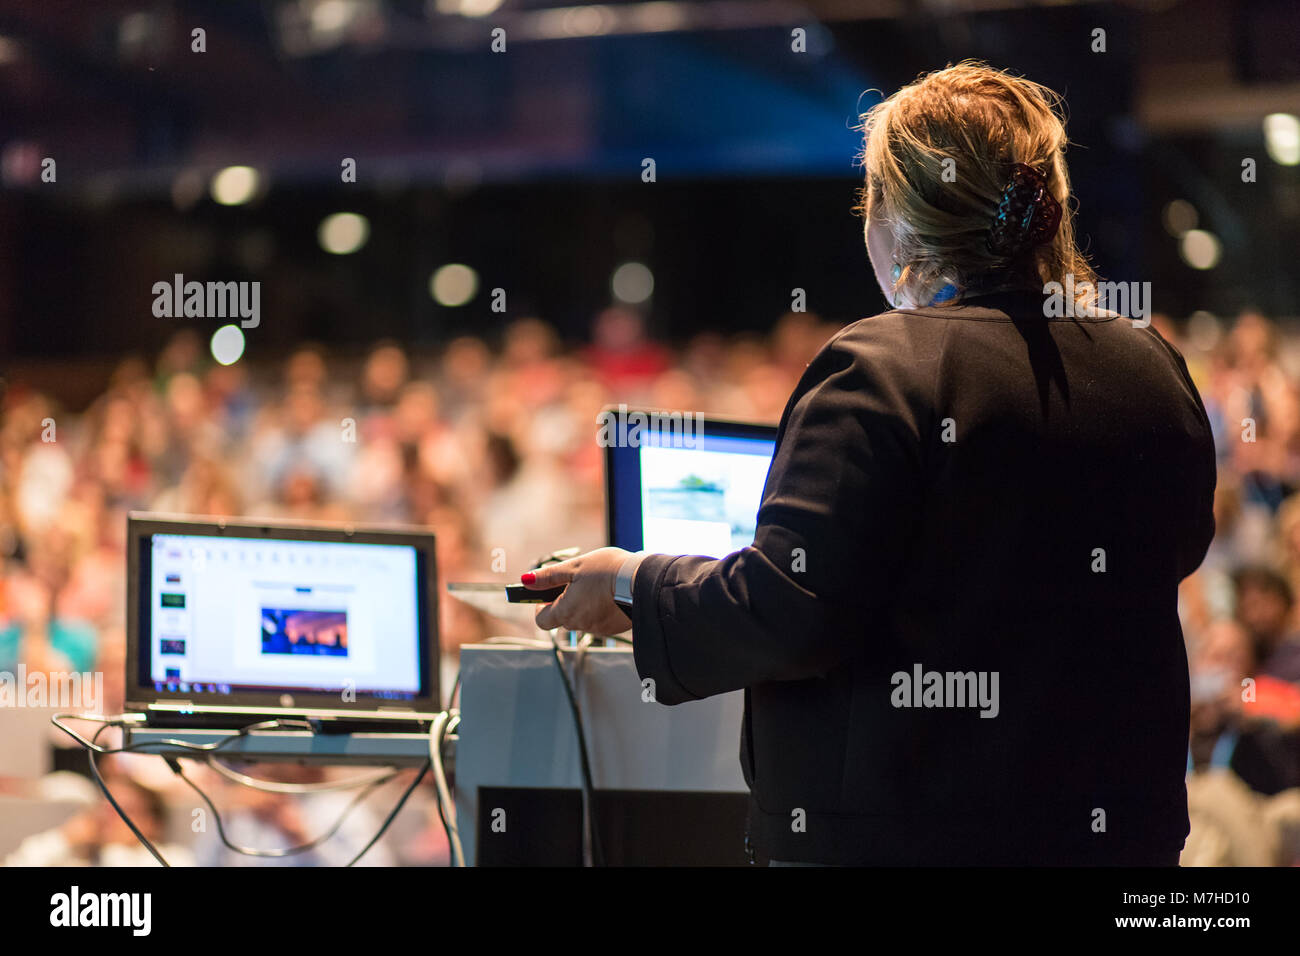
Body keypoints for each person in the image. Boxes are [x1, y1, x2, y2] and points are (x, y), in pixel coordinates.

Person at [522, 61, 1217, 865]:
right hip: (1122, 840)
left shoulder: (882, 366)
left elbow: (790, 606)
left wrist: (633, 583)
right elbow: (1177, 549)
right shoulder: (1149, 367)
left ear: (899, 217)